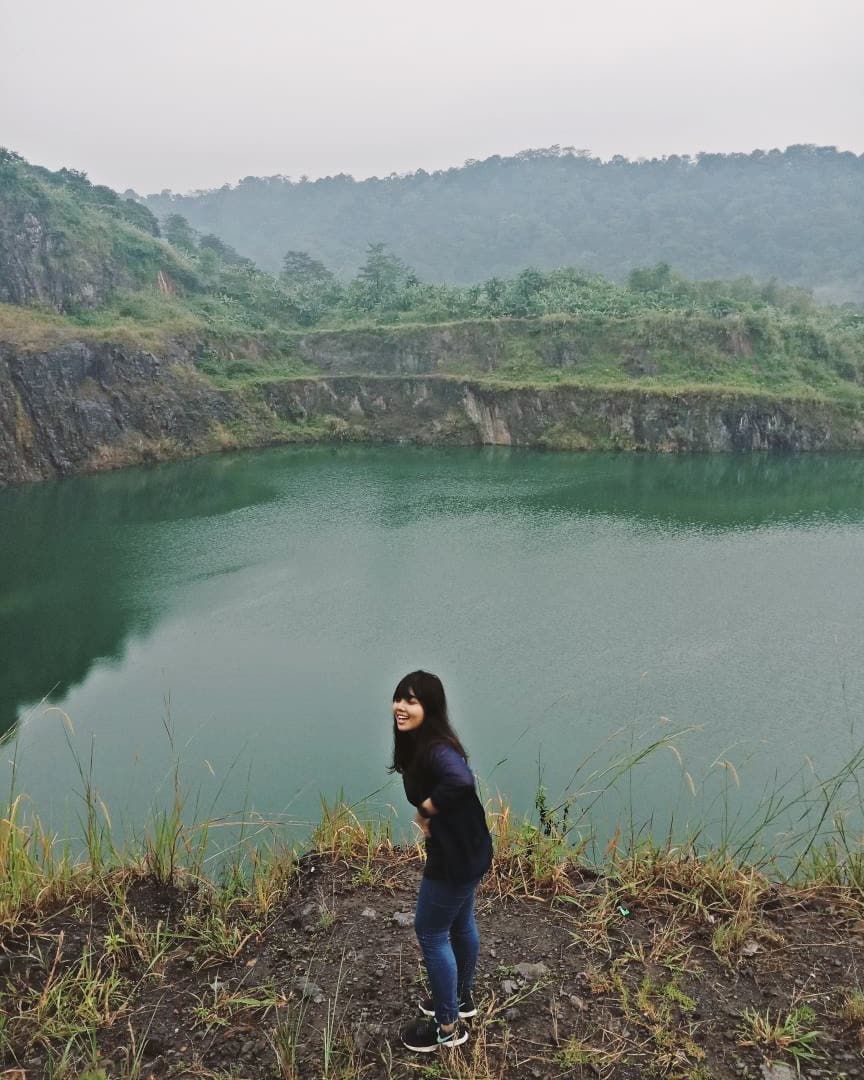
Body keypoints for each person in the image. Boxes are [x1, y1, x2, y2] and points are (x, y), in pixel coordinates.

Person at [389, 670, 493, 1053]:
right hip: (470, 849)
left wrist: (426, 808)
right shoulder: (423, 744)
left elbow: (461, 781)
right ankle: (461, 1001)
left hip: (454, 859)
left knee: (431, 933)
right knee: (461, 922)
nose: (401, 706)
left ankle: (447, 1027)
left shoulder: (435, 748)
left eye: (412, 700)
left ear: (429, 707)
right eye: (399, 698)